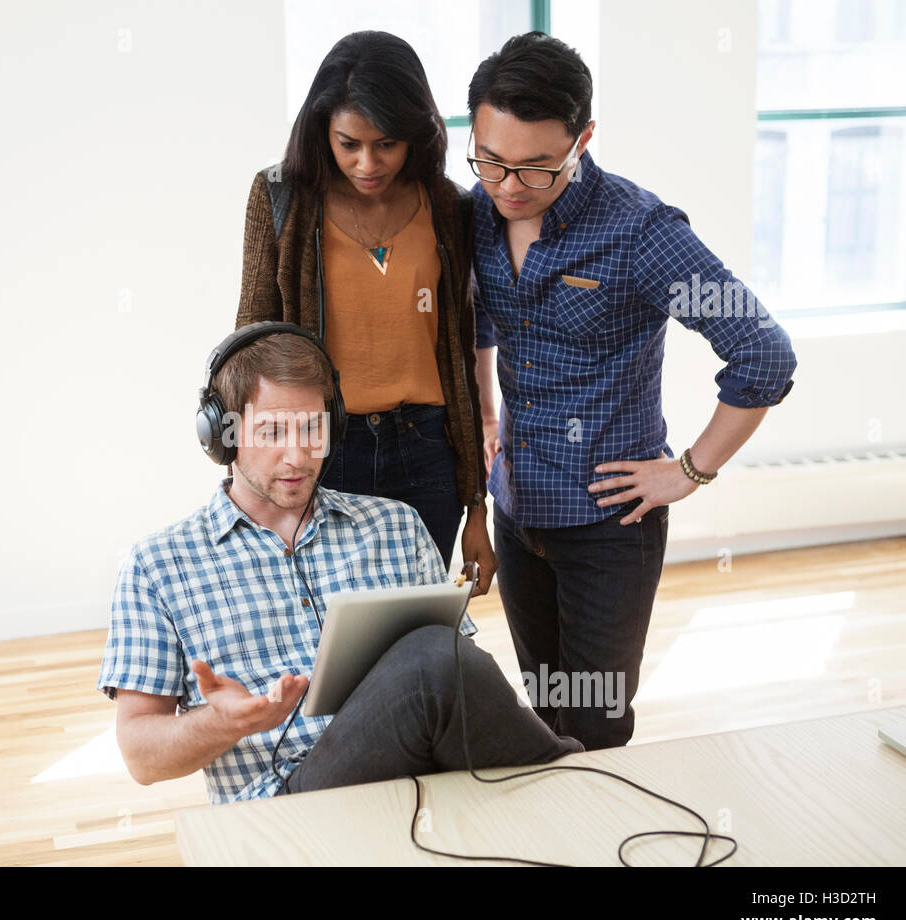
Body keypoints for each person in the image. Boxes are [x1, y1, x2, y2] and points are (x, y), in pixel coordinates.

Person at [465, 33, 798, 750]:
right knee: (545, 714)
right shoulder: (478, 213)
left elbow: (763, 352)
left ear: (582, 139)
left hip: (609, 529)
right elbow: (481, 316)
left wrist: (690, 470)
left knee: (596, 722)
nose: (509, 186)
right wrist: (486, 409)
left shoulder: (642, 233)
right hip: (517, 514)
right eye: (491, 161)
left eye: (535, 168)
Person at [97, 325, 583, 804]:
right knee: (434, 656)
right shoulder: (157, 566)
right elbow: (141, 757)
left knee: (444, 658)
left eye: (312, 427)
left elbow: (467, 689)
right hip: (289, 806)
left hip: (424, 785)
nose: (298, 454)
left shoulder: (394, 525)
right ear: (222, 434)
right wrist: (225, 722)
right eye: (272, 431)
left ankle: (566, 792)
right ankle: (578, 783)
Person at [236, 30, 495, 593]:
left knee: (415, 633)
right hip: (327, 451)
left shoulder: (447, 206)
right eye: (348, 143)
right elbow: (248, 349)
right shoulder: (281, 197)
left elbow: (461, 357)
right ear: (321, 128)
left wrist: (476, 505)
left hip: (427, 451)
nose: (367, 162)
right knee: (330, 640)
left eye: (386, 144)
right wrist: (249, 478)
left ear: (416, 134)